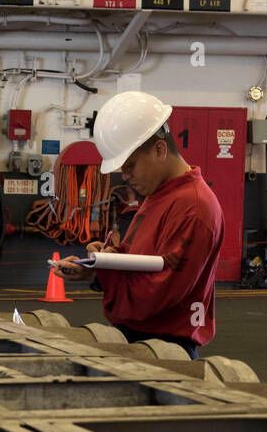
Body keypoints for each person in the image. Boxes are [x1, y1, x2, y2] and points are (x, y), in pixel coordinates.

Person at [55, 91, 223, 360]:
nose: (125, 176)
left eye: (130, 165)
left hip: (165, 351)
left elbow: (155, 295)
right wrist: (102, 264)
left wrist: (105, 274)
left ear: (159, 149)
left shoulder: (193, 207)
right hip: (145, 342)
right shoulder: (160, 194)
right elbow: (146, 262)